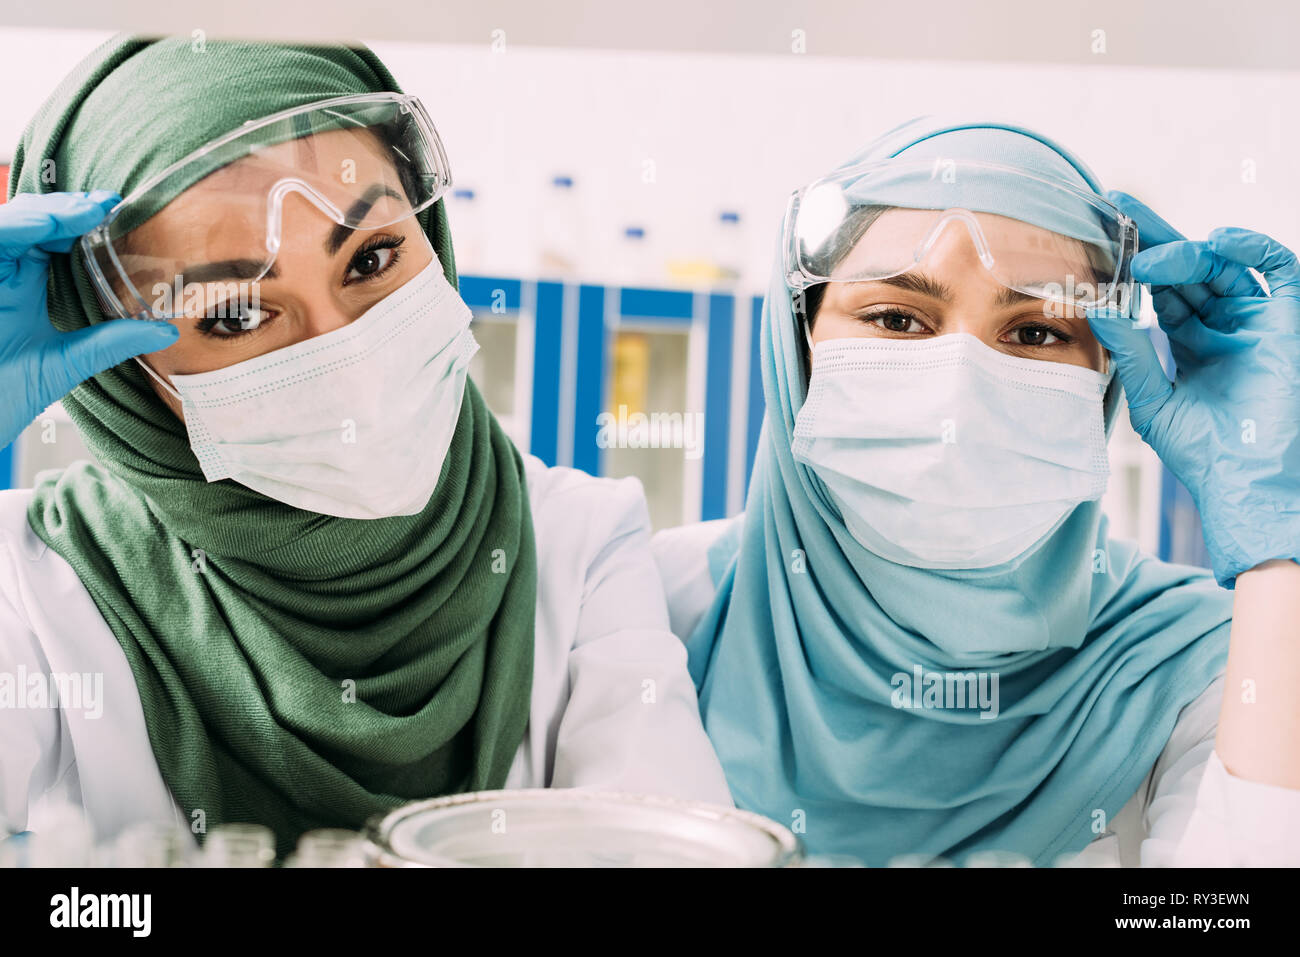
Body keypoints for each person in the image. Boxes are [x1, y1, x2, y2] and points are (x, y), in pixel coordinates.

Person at [0, 34, 730, 859]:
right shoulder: (32, 585)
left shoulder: (579, 542)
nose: (343, 354)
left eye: (373, 257)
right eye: (236, 313)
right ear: (125, 374)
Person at [652, 118, 1300, 867]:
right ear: (796, 348)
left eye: (1034, 333)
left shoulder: (1197, 665)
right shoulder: (654, 609)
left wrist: (1279, 557)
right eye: (896, 318)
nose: (959, 387)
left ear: (1106, 382)